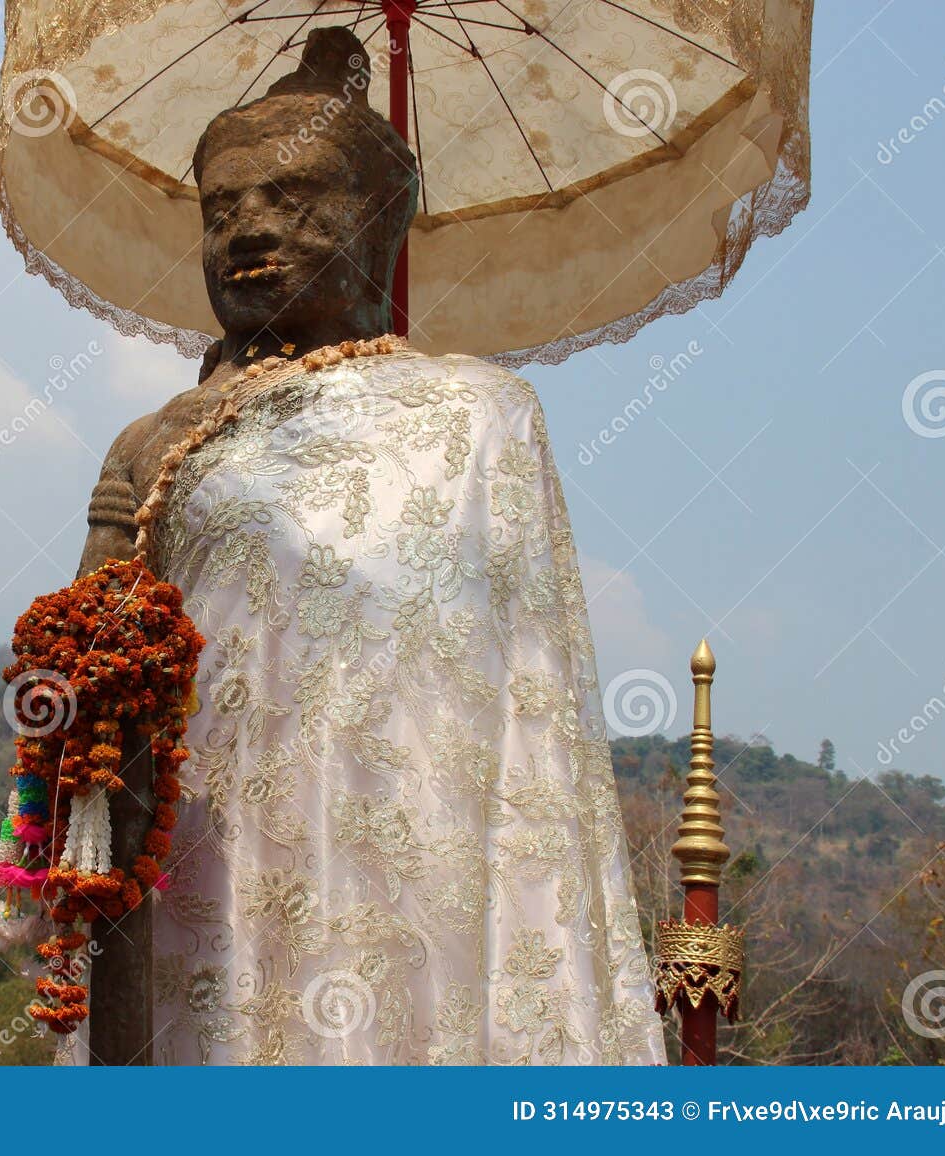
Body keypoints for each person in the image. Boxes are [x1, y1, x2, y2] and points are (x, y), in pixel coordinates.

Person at [72, 26, 665, 1065]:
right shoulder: (158, 442)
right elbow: (88, 655)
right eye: (221, 210)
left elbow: (523, 705)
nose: (249, 228)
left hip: (417, 859)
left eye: (295, 199)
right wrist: (85, 735)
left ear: (385, 218)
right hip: (208, 853)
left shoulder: (482, 415)